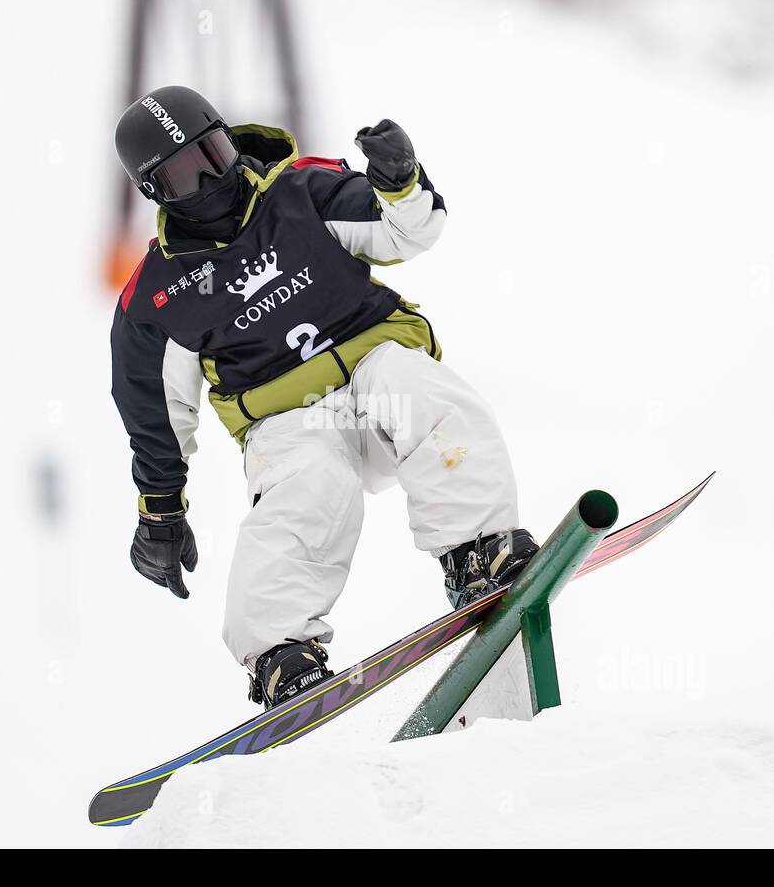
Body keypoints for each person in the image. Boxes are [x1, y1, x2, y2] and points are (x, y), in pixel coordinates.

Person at [110, 86, 537, 709]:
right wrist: (161, 512)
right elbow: (156, 415)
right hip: (286, 418)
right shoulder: (160, 295)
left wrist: (399, 181)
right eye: (183, 174)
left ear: (230, 139)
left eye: (214, 154)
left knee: (419, 386)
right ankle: (280, 653)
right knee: (308, 484)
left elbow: (403, 232)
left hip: (376, 376)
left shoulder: (299, 194)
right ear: (156, 192)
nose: (209, 180)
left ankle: (478, 551)